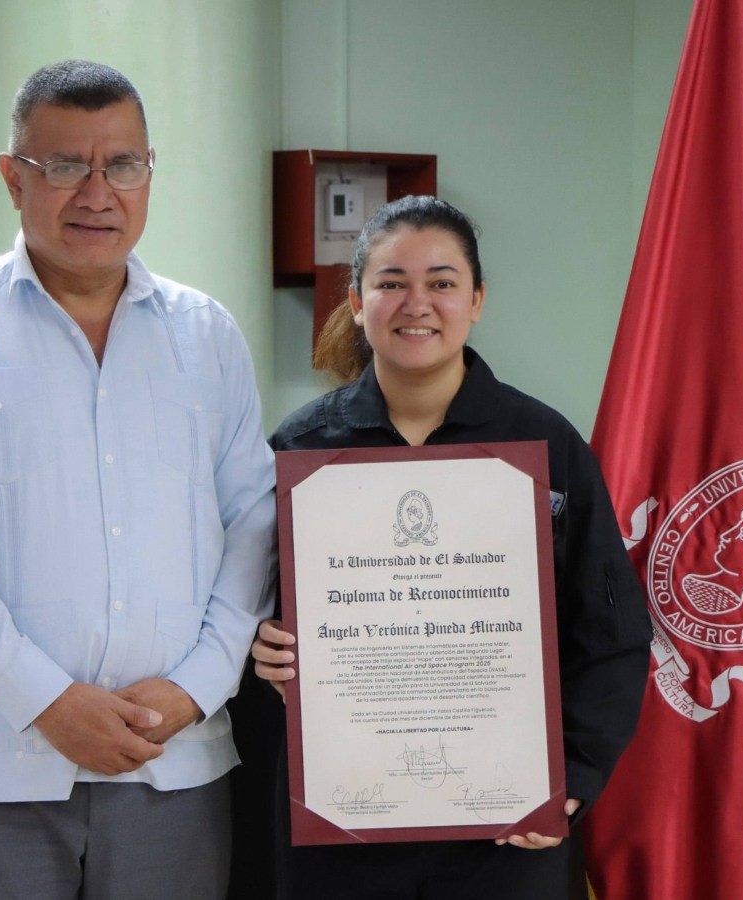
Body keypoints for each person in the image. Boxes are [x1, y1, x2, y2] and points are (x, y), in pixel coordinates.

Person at [0, 59, 276, 900]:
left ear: (148, 173)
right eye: (64, 166)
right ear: (13, 179)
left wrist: (197, 687)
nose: (98, 192)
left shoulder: (208, 335)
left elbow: (256, 526)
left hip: (174, 759)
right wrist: (47, 701)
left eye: (122, 165)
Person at [249, 195, 652, 900]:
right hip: (344, 835)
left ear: (477, 299)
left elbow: (612, 636)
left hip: (503, 837)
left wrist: (572, 781)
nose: (417, 303)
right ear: (355, 299)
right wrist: (260, 649)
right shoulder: (300, 450)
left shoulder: (547, 448)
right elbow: (245, 611)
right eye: (390, 282)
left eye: (441, 282)